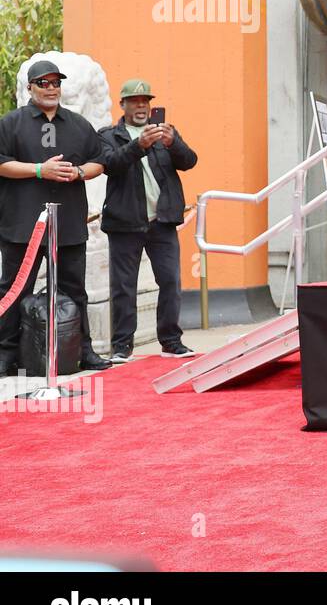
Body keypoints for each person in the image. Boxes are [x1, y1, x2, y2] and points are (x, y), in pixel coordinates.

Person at [0, 59, 149, 375]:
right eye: (44, 83)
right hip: (22, 226)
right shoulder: (10, 123)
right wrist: (40, 170)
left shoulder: (78, 124)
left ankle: (84, 350)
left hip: (68, 225)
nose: (51, 88)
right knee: (13, 290)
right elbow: (1, 164)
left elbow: (100, 162)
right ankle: (6, 353)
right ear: (30, 87)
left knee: (74, 289)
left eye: (56, 83)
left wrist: (79, 172)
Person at [98, 79, 199, 361]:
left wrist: (173, 142)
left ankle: (171, 341)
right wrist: (138, 144)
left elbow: (190, 161)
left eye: (146, 100)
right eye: (135, 101)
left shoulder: (165, 132)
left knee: (169, 282)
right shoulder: (109, 134)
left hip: (162, 221)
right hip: (124, 222)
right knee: (123, 287)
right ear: (123, 105)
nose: (141, 105)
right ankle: (122, 345)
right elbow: (111, 165)